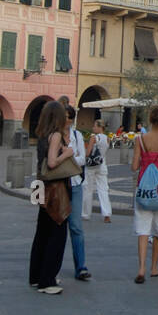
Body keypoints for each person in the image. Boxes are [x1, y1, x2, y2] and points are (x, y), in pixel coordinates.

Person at [29, 100, 72, 294]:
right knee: (57, 233)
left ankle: (36, 276)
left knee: (42, 232)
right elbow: (53, 163)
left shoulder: (41, 135)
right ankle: (48, 280)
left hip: (40, 185)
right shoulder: (55, 135)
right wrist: (67, 152)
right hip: (55, 188)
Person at [131, 105, 158, 283]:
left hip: (143, 189)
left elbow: (134, 166)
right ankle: (154, 267)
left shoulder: (140, 139)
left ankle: (141, 268)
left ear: (150, 119)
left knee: (143, 229)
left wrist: (145, 163)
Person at [62, 108, 91, 281]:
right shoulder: (54, 135)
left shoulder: (77, 135)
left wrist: (67, 157)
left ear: (71, 120)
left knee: (76, 227)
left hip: (75, 184)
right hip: (58, 185)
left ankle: (81, 267)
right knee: (56, 229)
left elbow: (83, 158)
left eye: (66, 118)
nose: (64, 121)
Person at [83, 119, 112, 223]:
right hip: (102, 165)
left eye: (95, 126)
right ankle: (107, 213)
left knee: (88, 189)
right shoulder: (108, 139)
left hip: (91, 166)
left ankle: (86, 213)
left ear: (100, 127)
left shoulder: (93, 138)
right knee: (103, 189)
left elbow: (87, 153)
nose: (93, 128)